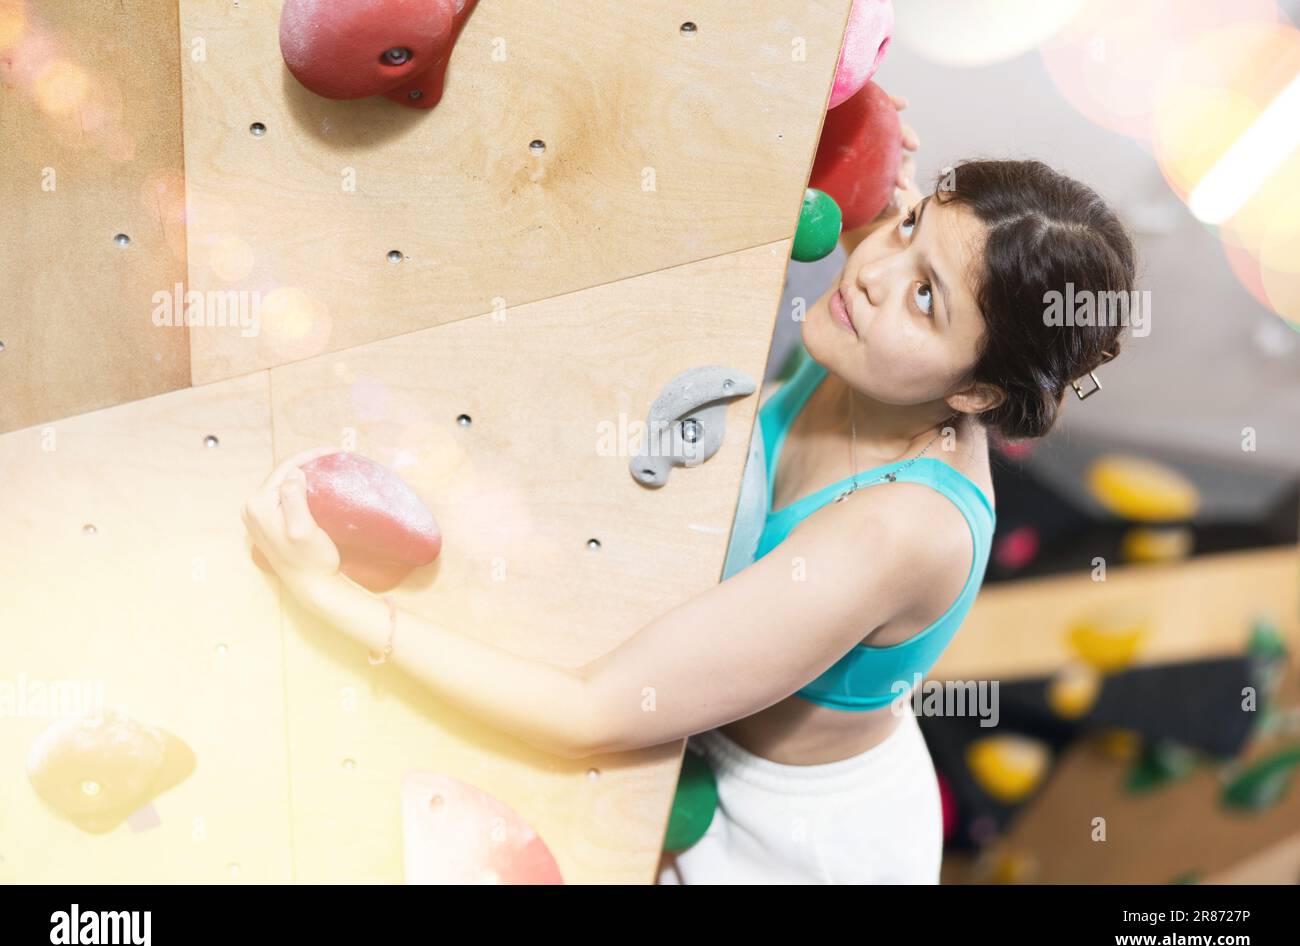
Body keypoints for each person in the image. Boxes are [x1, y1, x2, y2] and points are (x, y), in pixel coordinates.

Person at [241, 103, 1137, 884]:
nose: (871, 274)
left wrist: (328, 600)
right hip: (714, 717)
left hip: (787, 838)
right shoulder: (879, 339)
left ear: (976, 395)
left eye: (927, 298)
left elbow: (593, 713)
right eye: (909, 227)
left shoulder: (897, 532)